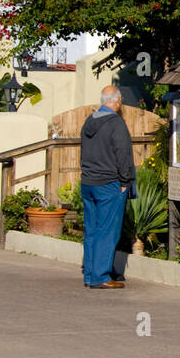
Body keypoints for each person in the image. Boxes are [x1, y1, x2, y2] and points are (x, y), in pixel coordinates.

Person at [79, 85, 134, 289]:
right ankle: (101, 276)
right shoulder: (116, 123)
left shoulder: (89, 121)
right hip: (109, 183)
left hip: (88, 182)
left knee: (92, 229)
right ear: (118, 101)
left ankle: (90, 274)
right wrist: (125, 182)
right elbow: (123, 155)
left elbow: (83, 150)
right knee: (107, 231)